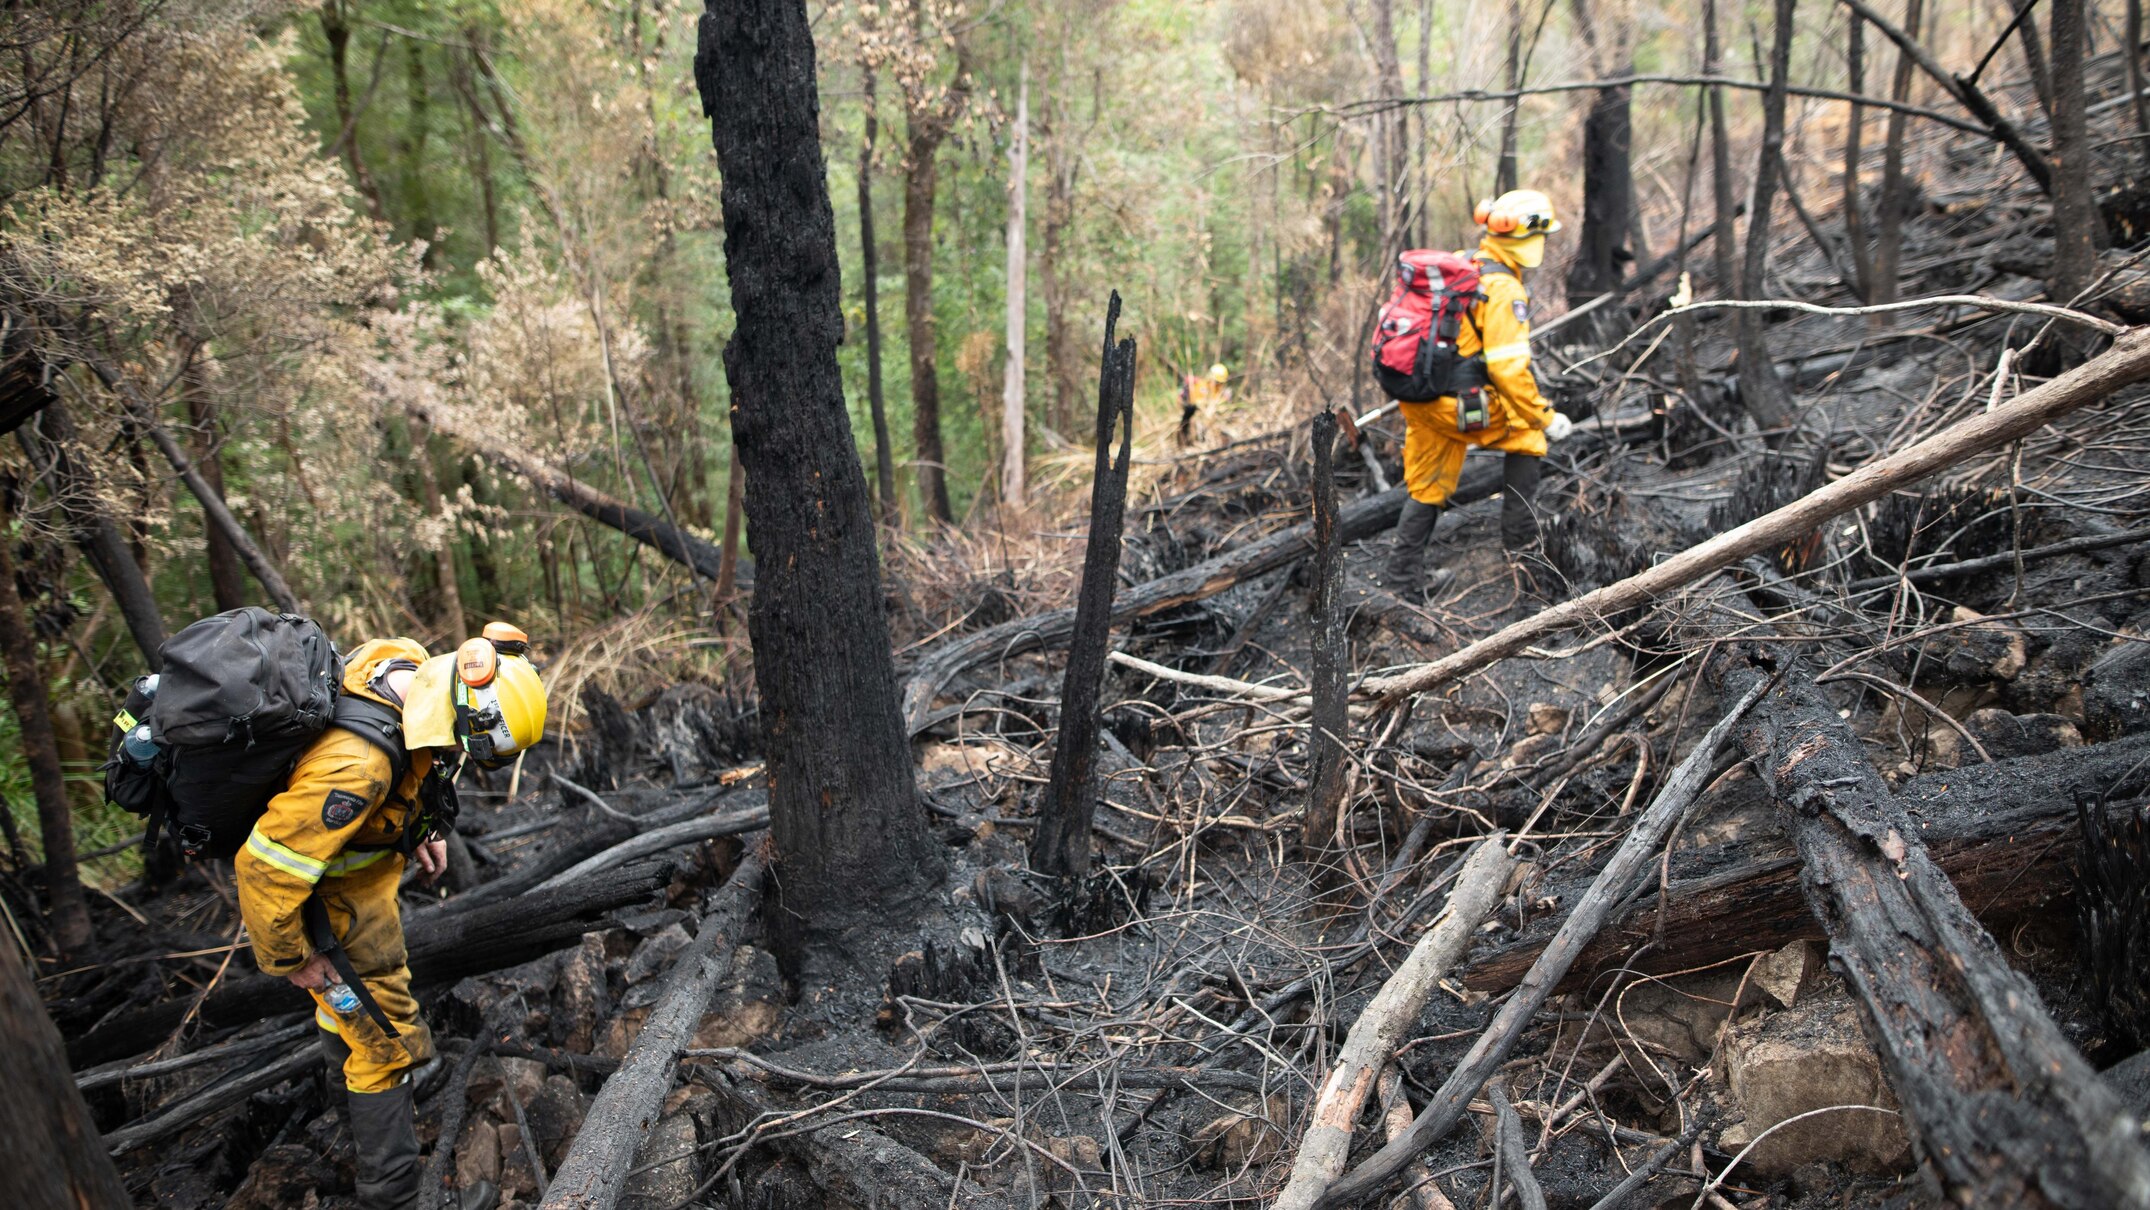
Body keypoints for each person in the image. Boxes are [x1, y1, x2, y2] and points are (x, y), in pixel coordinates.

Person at [235, 623, 547, 1210]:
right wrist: (293, 959)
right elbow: (263, 868)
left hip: (362, 892)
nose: (464, 759)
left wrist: (419, 830)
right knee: (384, 1041)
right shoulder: (356, 769)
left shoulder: (406, 664)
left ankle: (351, 1126)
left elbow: (415, 752)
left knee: (348, 1016)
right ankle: (395, 1194)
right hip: (331, 912)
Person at [1386, 189, 1577, 599]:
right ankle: (1524, 563)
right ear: (1529, 237)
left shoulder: (1465, 262)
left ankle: (1402, 580)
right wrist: (1544, 417)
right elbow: (1508, 371)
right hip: (1457, 405)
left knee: (1428, 483)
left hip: (1421, 399)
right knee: (1527, 437)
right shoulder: (1504, 288)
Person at [1178, 362, 1232, 444]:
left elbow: (1221, 404)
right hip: (1195, 412)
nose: (1218, 384)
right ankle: (1185, 438)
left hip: (1210, 417)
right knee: (1189, 411)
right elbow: (1191, 401)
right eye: (1217, 382)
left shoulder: (1220, 390)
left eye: (1220, 383)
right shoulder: (1200, 385)